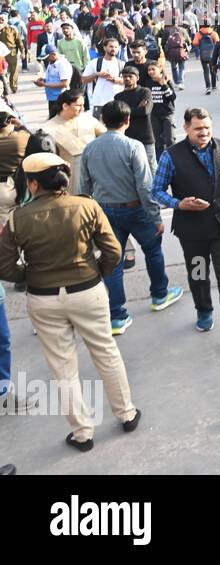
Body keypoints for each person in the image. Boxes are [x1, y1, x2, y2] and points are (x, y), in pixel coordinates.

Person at [0, 151, 142, 451]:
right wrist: (96, 272)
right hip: (87, 290)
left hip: (43, 297)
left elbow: (5, 265)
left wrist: (29, 275)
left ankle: (82, 433)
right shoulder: (86, 205)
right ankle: (126, 414)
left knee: (62, 366)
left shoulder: (18, 218)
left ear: (33, 184)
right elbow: (114, 251)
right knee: (106, 351)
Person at [152, 107, 220, 351]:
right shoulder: (171, 156)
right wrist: (179, 203)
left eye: (207, 127)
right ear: (186, 128)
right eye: (198, 129)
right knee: (199, 273)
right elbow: (156, 190)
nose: (203, 132)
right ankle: (204, 310)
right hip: (192, 230)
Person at [35, 89, 106, 196]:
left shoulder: (88, 120)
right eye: (79, 105)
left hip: (94, 175)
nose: (83, 109)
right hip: (67, 179)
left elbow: (107, 137)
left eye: (83, 105)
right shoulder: (47, 129)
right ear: (65, 106)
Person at [35, 48, 75, 120]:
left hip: (60, 98)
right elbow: (53, 79)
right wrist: (43, 80)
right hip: (52, 98)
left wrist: (44, 85)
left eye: (47, 58)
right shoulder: (52, 63)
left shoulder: (63, 64)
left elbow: (65, 84)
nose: (46, 60)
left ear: (53, 55)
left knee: (58, 122)